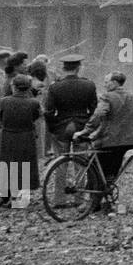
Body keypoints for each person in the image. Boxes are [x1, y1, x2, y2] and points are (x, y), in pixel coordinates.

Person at [75, 71, 133, 213]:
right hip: (130, 142)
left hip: (109, 141)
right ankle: (107, 198)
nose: (104, 83)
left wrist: (85, 131)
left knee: (95, 167)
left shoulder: (107, 97)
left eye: (106, 81)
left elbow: (99, 114)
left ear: (114, 83)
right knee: (111, 169)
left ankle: (93, 202)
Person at [42, 55, 98, 208]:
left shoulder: (54, 87)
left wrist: (54, 127)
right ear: (78, 68)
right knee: (81, 163)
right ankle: (79, 198)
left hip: (61, 129)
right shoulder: (89, 85)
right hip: (82, 127)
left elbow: (48, 111)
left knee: (60, 163)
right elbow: (94, 110)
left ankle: (59, 199)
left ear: (63, 68)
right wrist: (88, 125)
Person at [0, 73, 42, 208]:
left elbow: (1, 118)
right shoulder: (34, 103)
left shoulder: (4, 101)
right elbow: (35, 117)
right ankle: (21, 199)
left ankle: (4, 196)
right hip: (26, 137)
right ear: (28, 88)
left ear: (14, 87)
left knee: (6, 165)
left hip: (7, 137)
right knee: (24, 166)